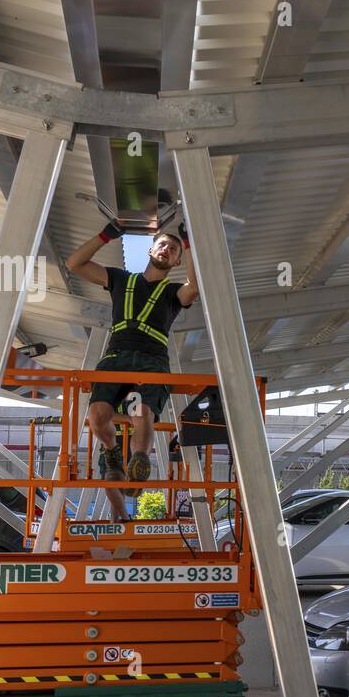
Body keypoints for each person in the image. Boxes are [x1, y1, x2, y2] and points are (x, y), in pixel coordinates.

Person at [65, 221, 199, 521]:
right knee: (97, 415)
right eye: (163, 244)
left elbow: (195, 288)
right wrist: (105, 235)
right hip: (116, 355)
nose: (167, 249)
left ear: (177, 261)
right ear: (151, 249)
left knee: (142, 414)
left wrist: (190, 245)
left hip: (152, 359)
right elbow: (74, 263)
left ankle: (139, 461)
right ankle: (113, 453)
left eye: (174, 250)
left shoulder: (173, 292)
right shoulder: (120, 279)